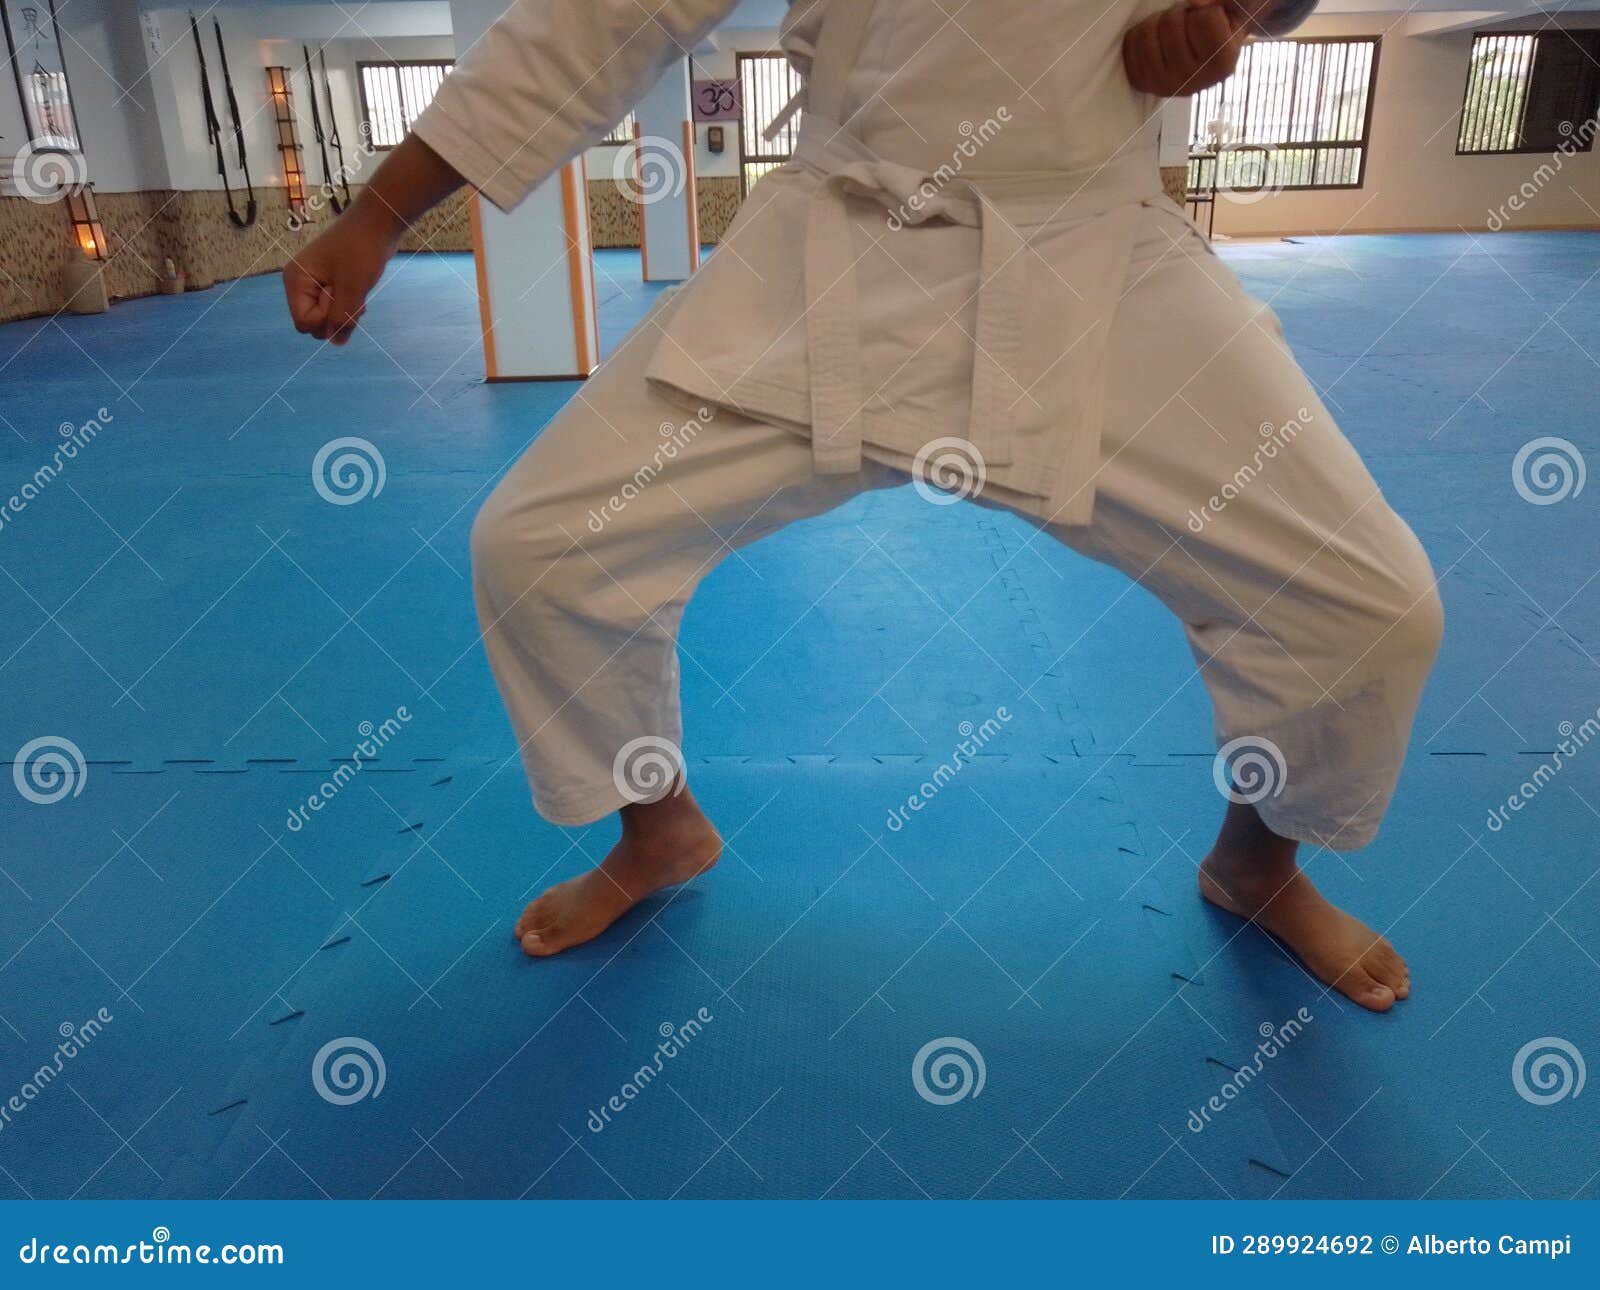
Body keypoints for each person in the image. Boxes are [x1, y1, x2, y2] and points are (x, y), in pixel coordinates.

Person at [284, 0, 1438, 1011]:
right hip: (834, 244)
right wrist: (383, 209)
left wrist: (1237, 12)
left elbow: (1283, 0)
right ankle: (657, 827)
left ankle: (1258, 864)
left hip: (1096, 252)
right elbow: (601, 13)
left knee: (1367, 602)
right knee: (542, 546)